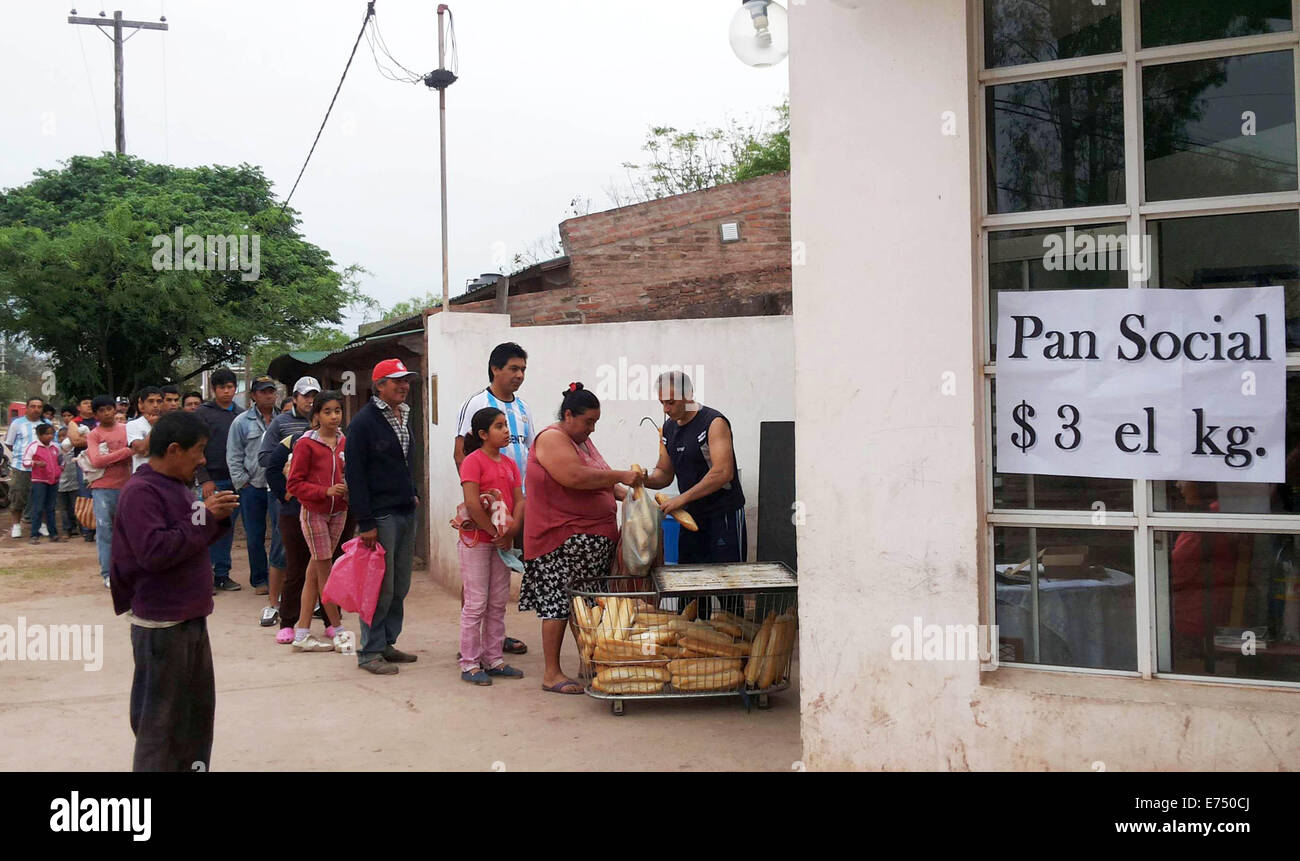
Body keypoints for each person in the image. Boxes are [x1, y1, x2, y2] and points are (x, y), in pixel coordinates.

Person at [110, 410, 240, 771]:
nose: (202, 460)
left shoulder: (176, 487)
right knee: (160, 725)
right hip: (162, 626)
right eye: (198, 450)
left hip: (190, 618)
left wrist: (217, 516)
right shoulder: (141, 492)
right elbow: (155, 551)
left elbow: (190, 534)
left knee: (194, 721)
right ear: (173, 450)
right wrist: (204, 516)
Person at [523, 383, 642, 694]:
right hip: (561, 539)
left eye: (595, 422)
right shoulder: (552, 438)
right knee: (558, 605)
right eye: (588, 421)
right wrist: (620, 476)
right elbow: (574, 477)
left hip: (589, 540)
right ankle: (551, 673)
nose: (592, 428)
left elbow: (599, 482)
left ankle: (587, 661)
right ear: (568, 415)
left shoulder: (583, 442)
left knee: (585, 606)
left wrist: (632, 497)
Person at [453, 341, 532, 656]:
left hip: (516, 506)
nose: (519, 375)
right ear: (495, 369)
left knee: (500, 581)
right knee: (476, 581)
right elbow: (461, 453)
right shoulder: (476, 404)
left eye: (523, 369)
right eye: (513, 368)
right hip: (485, 509)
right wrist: (478, 502)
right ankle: (469, 646)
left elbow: (530, 450)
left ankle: (493, 642)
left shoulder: (523, 408)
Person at [345, 359, 421, 675]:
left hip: (404, 511)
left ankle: (387, 642)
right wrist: (365, 522)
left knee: (400, 584)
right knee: (378, 586)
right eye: (396, 381)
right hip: (381, 515)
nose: (403, 386)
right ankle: (369, 651)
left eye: (406, 381)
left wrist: (413, 493)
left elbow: (403, 463)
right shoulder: (363, 423)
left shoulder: (402, 416)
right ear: (379, 386)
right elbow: (356, 475)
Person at [457, 408, 526, 685]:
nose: (506, 431)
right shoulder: (473, 462)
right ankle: (470, 663)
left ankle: (494, 659)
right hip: (477, 542)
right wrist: (493, 532)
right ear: (484, 434)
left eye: (506, 425)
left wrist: (512, 531)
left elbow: (520, 500)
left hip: (502, 542)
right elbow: (473, 502)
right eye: (499, 426)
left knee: (498, 602)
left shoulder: (509, 464)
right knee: (475, 604)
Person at [286, 391, 351, 653]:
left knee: (315, 570)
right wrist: (324, 492)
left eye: (337, 410)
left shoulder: (345, 441)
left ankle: (302, 632)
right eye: (328, 411)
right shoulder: (306, 444)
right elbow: (294, 484)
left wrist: (346, 489)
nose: (334, 416)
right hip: (314, 512)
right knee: (325, 569)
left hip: (339, 512)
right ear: (316, 416)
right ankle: (337, 629)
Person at [257, 376, 320, 631]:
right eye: (305, 395)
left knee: (311, 552)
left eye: (314, 395)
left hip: (315, 498)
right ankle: (273, 604)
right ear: (294, 398)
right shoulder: (281, 423)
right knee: (282, 550)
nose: (310, 400)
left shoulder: (323, 422)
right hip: (287, 498)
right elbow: (265, 459)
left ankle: (306, 603)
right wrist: (286, 487)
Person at [227, 375, 279, 598]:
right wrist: (243, 483)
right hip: (253, 487)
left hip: (277, 487)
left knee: (280, 533)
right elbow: (234, 455)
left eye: (271, 391)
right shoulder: (241, 422)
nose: (269, 395)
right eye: (263, 391)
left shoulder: (283, 420)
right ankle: (260, 578)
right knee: (255, 535)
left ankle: (279, 576)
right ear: (253, 396)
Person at [195, 369, 244, 592]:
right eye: (222, 387)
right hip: (210, 481)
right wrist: (204, 479)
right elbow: (194, 449)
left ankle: (222, 575)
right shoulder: (201, 415)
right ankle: (201, 576)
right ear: (213, 389)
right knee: (203, 527)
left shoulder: (242, 415)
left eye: (230, 387)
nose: (227, 391)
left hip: (235, 481)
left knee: (226, 529)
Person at [86, 395, 134, 588]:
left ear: (115, 409)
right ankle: (108, 573)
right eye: (102, 410)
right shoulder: (94, 434)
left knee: (128, 532)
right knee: (105, 532)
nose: (107, 413)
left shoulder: (126, 429)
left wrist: (113, 456)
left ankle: (128, 570)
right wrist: (127, 452)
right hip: (102, 488)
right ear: (96, 414)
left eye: (109, 409)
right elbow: (96, 460)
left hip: (127, 485)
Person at [5, 397, 44, 539]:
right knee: (18, 495)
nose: (36, 409)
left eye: (39, 407)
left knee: (41, 497)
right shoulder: (17, 423)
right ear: (27, 408)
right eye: (33, 406)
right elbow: (9, 443)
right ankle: (16, 525)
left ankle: (41, 525)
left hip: (40, 468)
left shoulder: (45, 424)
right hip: (20, 467)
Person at [23, 423, 63, 545]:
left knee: (51, 508)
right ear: (39, 435)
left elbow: (60, 460)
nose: (50, 436)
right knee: (38, 508)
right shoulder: (33, 447)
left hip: (53, 481)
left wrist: (60, 469)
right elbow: (25, 461)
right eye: (47, 434)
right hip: (39, 481)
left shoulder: (55, 447)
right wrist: (35, 463)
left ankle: (53, 534)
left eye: (51, 433)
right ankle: (34, 534)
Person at [125, 386, 163, 473]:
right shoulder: (133, 424)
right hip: (143, 475)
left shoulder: (169, 423)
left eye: (159, 401)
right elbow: (141, 449)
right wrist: (155, 427)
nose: (155, 405)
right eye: (151, 401)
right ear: (141, 404)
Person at [56, 425, 80, 537]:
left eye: (64, 436)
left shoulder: (76, 452)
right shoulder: (56, 451)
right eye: (59, 437)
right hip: (60, 484)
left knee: (75, 507)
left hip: (75, 483)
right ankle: (66, 529)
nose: (62, 439)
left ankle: (76, 527)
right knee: (63, 509)